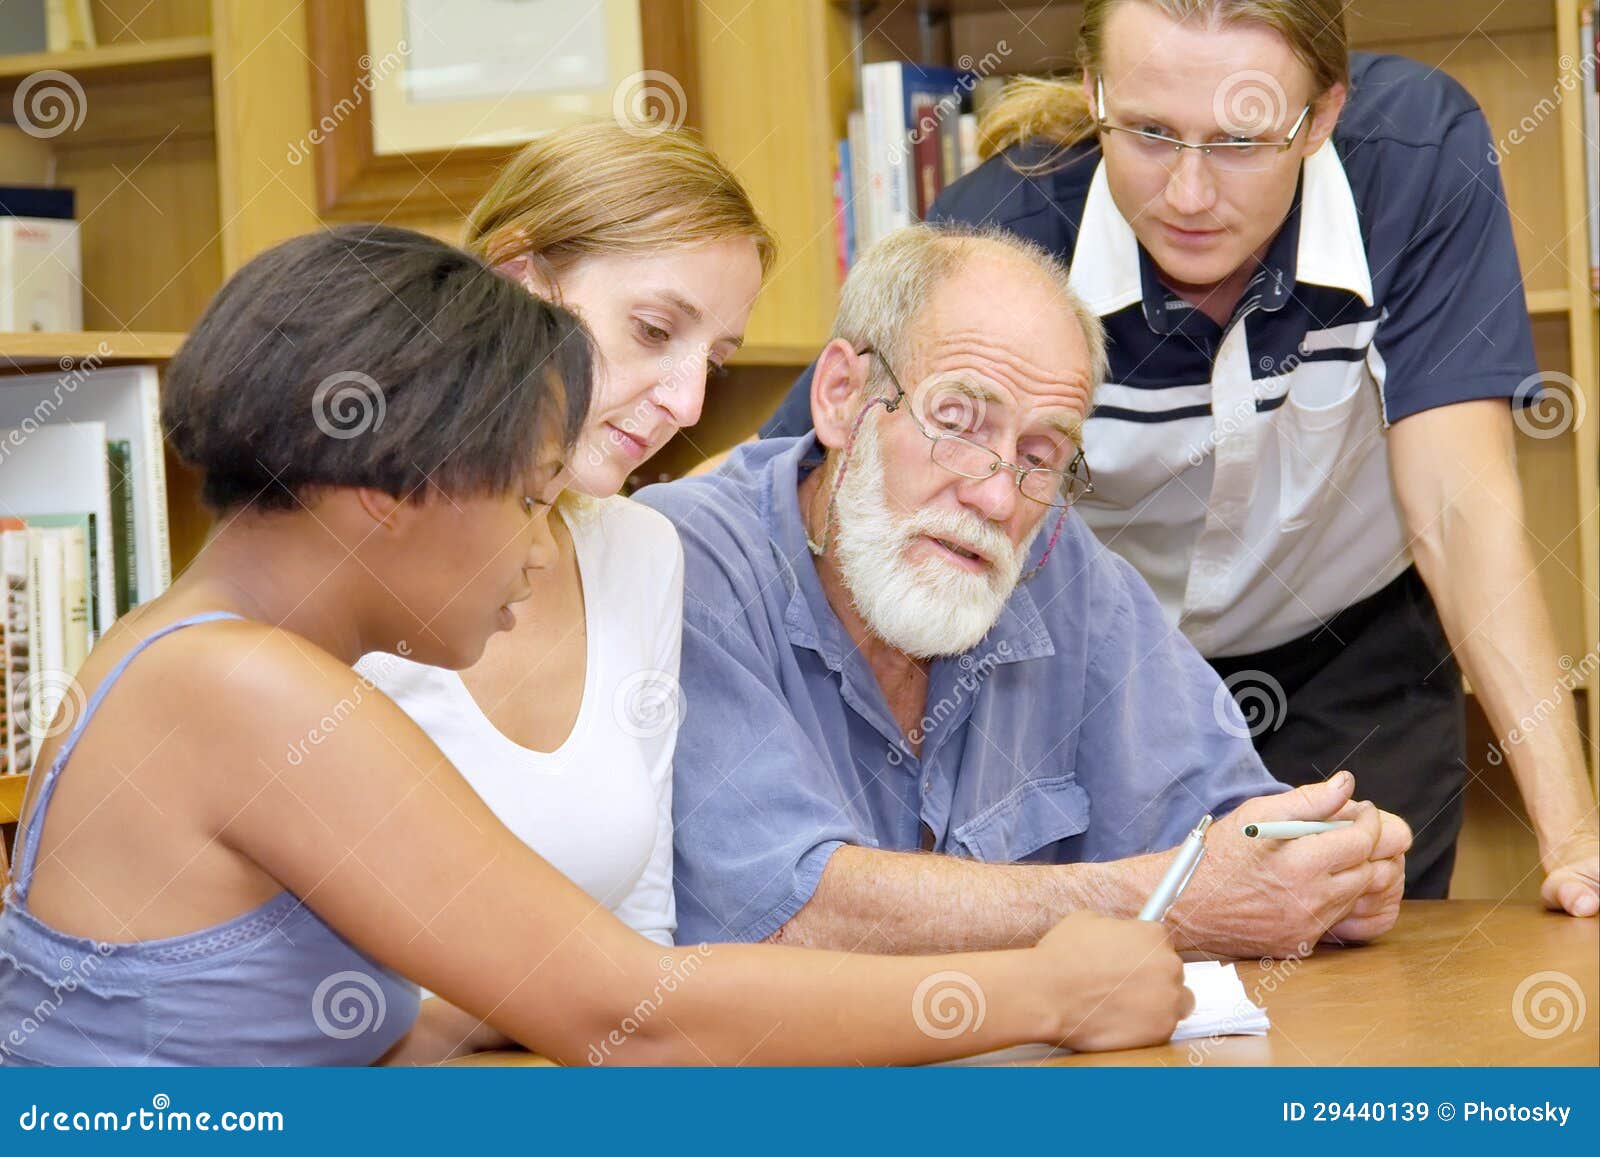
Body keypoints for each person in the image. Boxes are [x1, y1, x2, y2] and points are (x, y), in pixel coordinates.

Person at [0, 224, 1192, 1067]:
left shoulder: (183, 652)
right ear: (387, 489)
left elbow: (396, 1026)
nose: (538, 550)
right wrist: (1051, 989)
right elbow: (637, 1018)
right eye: (525, 499)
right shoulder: (244, 690)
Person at [760, 0, 1598, 912]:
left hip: (1351, 652)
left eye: (1240, 143)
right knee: (1128, 975)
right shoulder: (998, 231)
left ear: (1321, 116)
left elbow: (1459, 505)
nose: (1189, 196)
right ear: (1094, 92)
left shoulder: (1416, 161)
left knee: (1359, 969)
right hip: (1097, 673)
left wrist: (1576, 842)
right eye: (1151, 133)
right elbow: (799, 483)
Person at [637, 223, 1410, 960]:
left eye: (1040, 454)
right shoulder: (681, 560)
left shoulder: (1054, 563)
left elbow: (1232, 826)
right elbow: (788, 912)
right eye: (961, 421)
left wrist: (1327, 866)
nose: (999, 499)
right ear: (842, 393)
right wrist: (1166, 905)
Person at [357, 120, 772, 951]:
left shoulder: (644, 553)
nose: (689, 406)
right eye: (654, 331)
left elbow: (643, 933)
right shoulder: (350, 538)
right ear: (519, 282)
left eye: (715, 361)